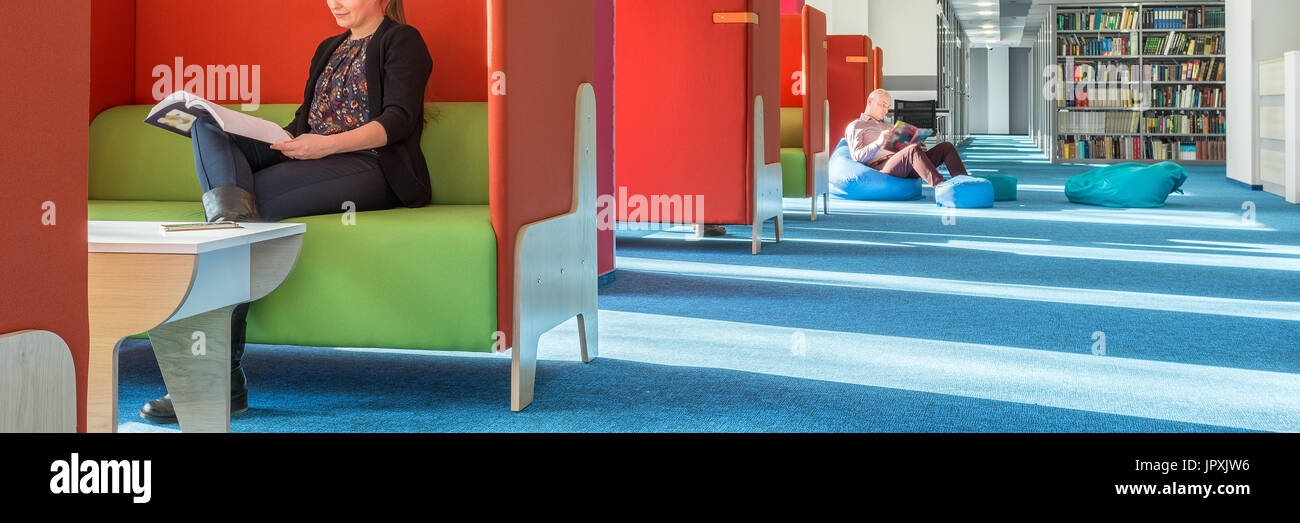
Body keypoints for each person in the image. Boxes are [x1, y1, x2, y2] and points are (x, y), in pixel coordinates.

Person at [140, 0, 433, 424]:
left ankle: (215, 377)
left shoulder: (402, 40)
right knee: (206, 125)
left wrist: (323, 145)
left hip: (371, 166)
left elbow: (399, 121)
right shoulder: (328, 47)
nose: (334, 2)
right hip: (313, 155)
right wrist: (284, 140)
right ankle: (228, 235)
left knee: (243, 209)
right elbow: (304, 122)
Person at [845, 88, 968, 188]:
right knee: (912, 150)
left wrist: (918, 144)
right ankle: (941, 186)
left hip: (905, 163)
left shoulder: (889, 125)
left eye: (887, 106)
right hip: (882, 166)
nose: (885, 110)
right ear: (869, 102)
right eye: (882, 105)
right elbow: (857, 156)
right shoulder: (856, 126)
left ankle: (966, 183)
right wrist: (878, 143)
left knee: (945, 147)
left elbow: (902, 148)